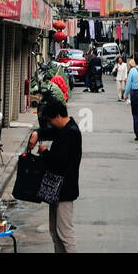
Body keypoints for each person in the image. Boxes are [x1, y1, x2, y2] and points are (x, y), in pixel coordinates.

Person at [28, 94, 82, 254]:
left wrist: (44, 152)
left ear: (58, 116)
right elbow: (49, 132)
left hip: (65, 189)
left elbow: (60, 162)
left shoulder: (71, 133)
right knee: (54, 230)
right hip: (55, 188)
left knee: (65, 232)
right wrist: (37, 133)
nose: (50, 123)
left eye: (51, 120)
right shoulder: (64, 128)